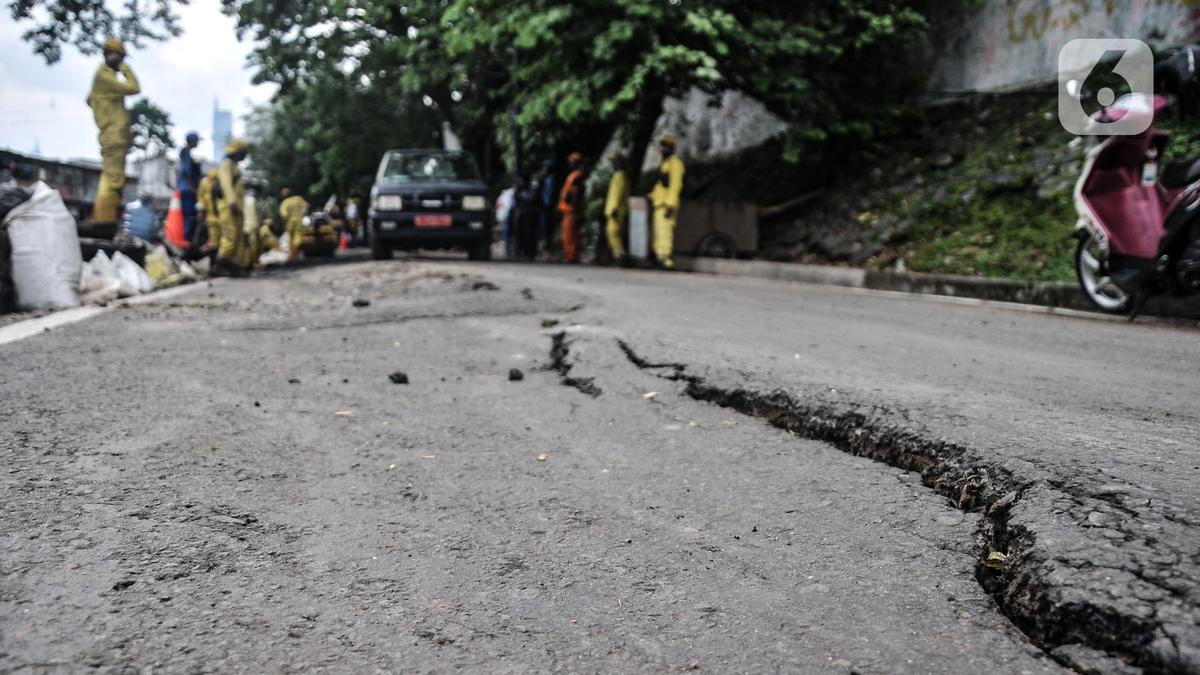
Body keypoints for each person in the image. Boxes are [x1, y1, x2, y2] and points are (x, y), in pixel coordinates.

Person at [86, 37, 140, 223]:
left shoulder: (103, 78)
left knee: (111, 177)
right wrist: (126, 69)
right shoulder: (104, 77)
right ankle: (104, 221)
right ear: (114, 55)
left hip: (112, 133)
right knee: (114, 180)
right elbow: (134, 87)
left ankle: (104, 219)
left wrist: (105, 108)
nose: (122, 61)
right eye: (121, 57)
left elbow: (89, 99)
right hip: (114, 133)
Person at [649, 134, 685, 269]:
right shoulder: (665, 163)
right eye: (662, 146)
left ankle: (666, 260)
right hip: (659, 203)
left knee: (665, 232)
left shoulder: (675, 163)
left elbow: (676, 185)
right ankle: (660, 258)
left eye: (666, 146)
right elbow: (661, 185)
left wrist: (670, 204)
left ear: (672, 148)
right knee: (659, 232)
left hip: (666, 204)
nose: (663, 149)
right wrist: (651, 196)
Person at [214, 139, 249, 276]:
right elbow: (226, 184)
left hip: (237, 209)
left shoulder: (234, 166)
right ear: (238, 152)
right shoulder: (226, 164)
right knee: (231, 237)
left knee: (239, 239)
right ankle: (221, 263)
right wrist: (232, 202)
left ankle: (236, 267)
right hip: (229, 208)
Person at [557, 152, 586, 264]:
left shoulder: (578, 175)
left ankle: (572, 256)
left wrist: (573, 205)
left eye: (571, 161)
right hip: (568, 210)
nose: (569, 163)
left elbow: (575, 192)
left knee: (571, 235)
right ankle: (569, 255)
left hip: (572, 210)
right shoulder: (573, 175)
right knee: (568, 234)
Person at [604, 152, 630, 263]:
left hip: (615, 211)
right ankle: (619, 255)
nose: (613, 164)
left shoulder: (619, 176)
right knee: (614, 233)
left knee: (613, 232)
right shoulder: (619, 176)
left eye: (615, 162)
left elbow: (617, 194)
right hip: (615, 211)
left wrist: (614, 209)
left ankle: (620, 255)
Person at [177, 131, 202, 242]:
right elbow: (187, 172)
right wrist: (193, 187)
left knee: (189, 216)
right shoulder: (185, 152)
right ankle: (186, 241)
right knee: (189, 216)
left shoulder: (186, 153)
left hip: (186, 188)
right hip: (187, 190)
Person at [279, 188, 309, 261]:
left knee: (290, 239)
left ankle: (293, 254)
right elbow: (306, 207)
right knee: (297, 237)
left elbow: (284, 214)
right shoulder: (298, 199)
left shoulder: (284, 203)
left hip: (290, 223)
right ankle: (294, 253)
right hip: (299, 222)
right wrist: (301, 214)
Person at [536, 160, 557, 256]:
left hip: (549, 209)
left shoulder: (552, 179)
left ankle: (549, 251)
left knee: (548, 230)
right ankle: (546, 250)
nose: (544, 169)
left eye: (545, 167)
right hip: (545, 208)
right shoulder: (545, 179)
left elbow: (551, 196)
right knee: (544, 230)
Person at [197, 169, 219, 251]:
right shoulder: (204, 183)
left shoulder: (221, 184)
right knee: (212, 237)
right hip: (211, 216)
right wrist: (201, 210)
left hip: (220, 216)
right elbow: (201, 197)